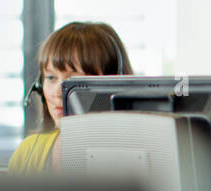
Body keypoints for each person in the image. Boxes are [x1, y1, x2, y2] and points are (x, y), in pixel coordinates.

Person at [8, 21, 133, 172]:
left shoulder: (131, 157)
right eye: (51, 78)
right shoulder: (28, 153)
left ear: (110, 87)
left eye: (73, 81)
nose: (58, 93)